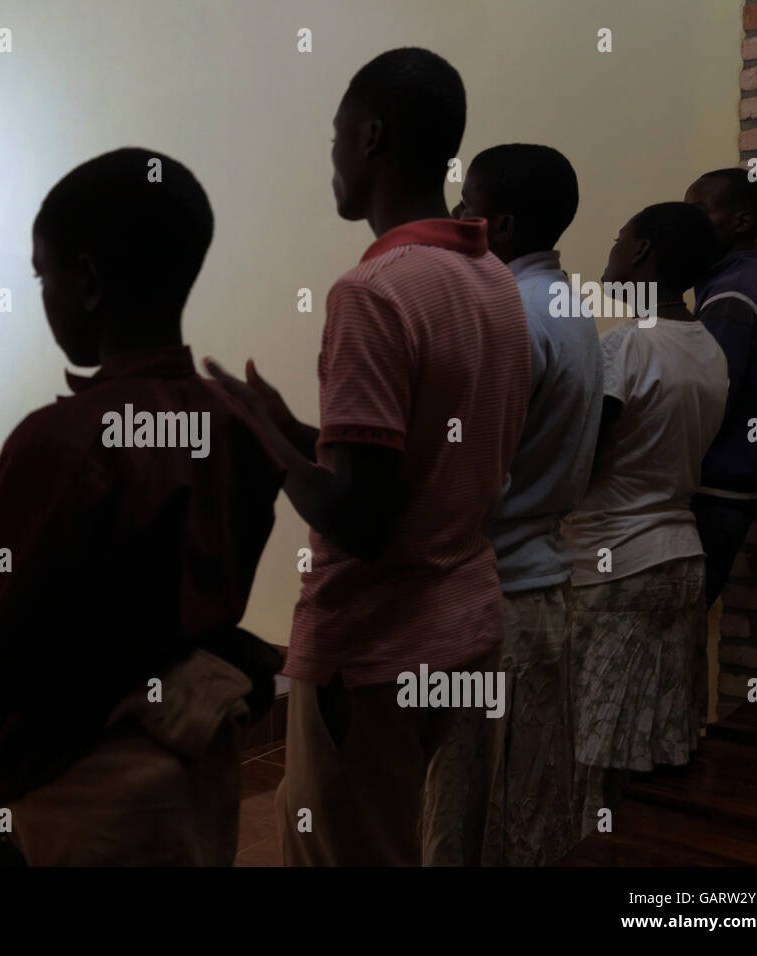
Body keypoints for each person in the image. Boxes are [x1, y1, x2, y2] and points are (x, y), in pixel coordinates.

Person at [206, 47, 530, 866]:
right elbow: (407, 459)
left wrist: (268, 440)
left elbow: (362, 520)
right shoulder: (489, 276)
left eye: (336, 138)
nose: (332, 159)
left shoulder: (373, 292)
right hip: (466, 622)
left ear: (373, 137)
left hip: (377, 650)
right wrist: (294, 424)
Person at [0, 147, 286, 866]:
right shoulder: (235, 422)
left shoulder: (66, 440)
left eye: (42, 275)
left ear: (86, 281)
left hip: (72, 791)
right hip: (191, 777)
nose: (43, 293)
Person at [452, 144, 602, 866]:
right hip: (542, 585)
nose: (454, 216)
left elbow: (470, 477)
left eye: (467, 204)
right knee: (528, 807)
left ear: (502, 226)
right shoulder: (567, 302)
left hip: (493, 596)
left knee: (467, 812)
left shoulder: (507, 310)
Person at [561, 202, 728, 836]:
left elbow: (580, 461)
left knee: (596, 761)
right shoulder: (708, 347)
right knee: (659, 753)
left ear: (641, 252)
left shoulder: (626, 345)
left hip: (615, 567)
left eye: (618, 239)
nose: (610, 252)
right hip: (680, 557)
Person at [684, 169, 757, 606]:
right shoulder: (750, 286)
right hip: (734, 487)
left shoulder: (733, 295)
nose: (689, 224)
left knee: (676, 626)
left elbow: (709, 397)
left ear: (741, 222)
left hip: (717, 489)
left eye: (699, 212)